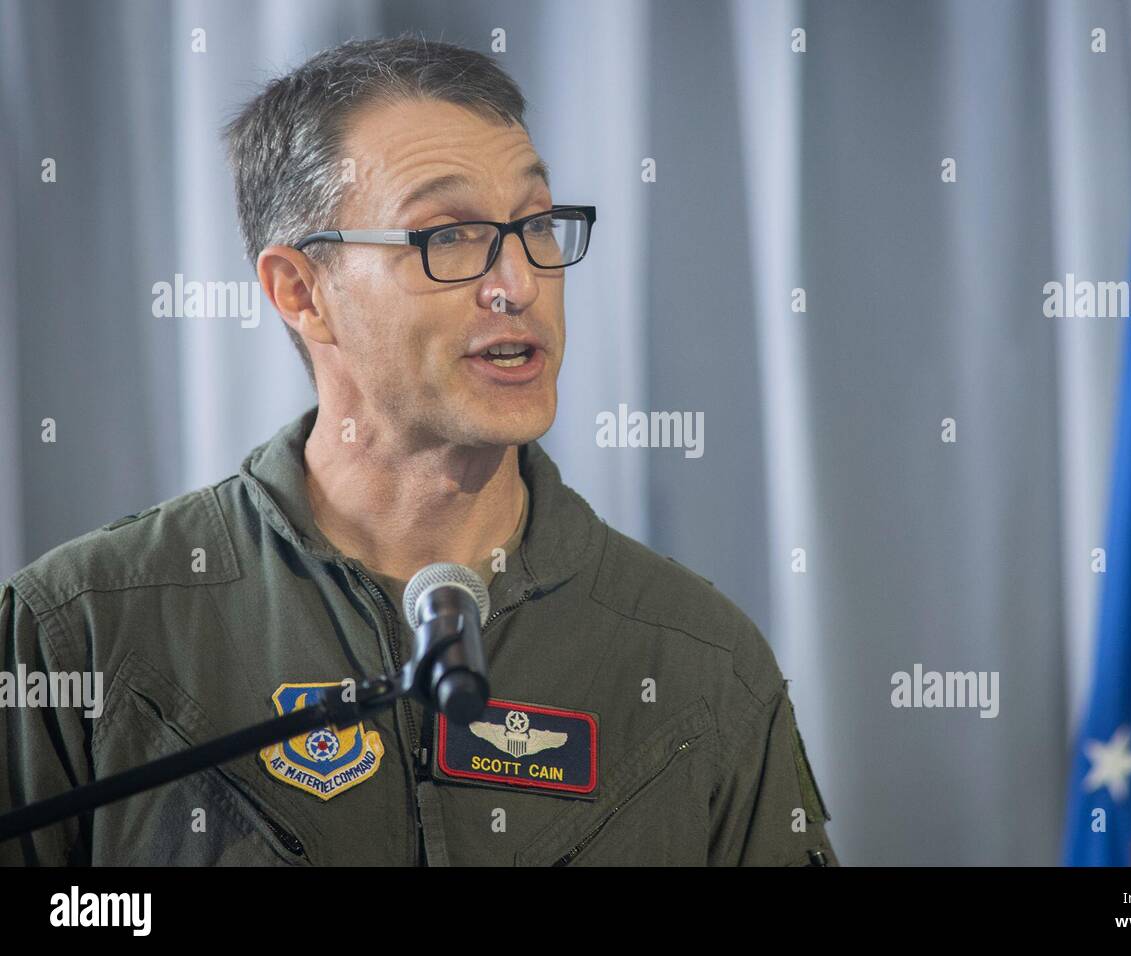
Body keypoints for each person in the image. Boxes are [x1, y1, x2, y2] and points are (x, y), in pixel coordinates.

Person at [0, 35, 836, 866]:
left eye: (537, 225)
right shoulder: (79, 633)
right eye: (451, 237)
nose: (518, 283)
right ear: (302, 292)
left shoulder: (699, 659)